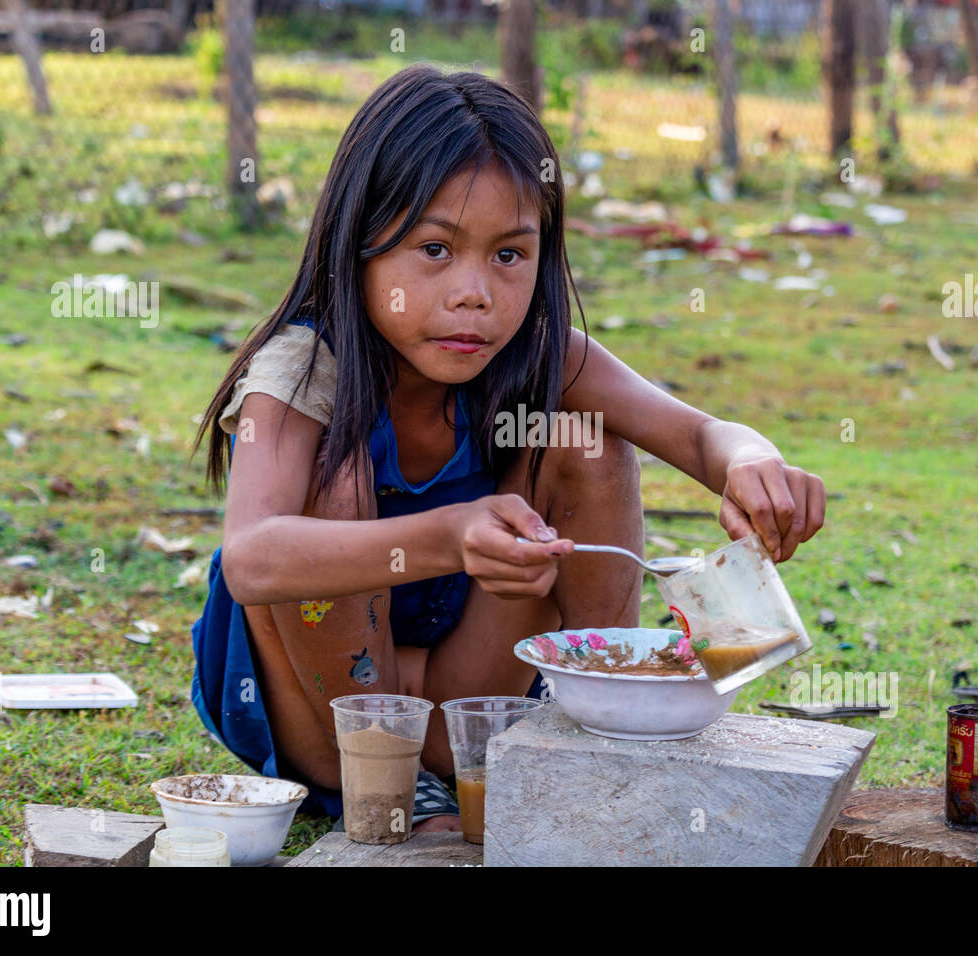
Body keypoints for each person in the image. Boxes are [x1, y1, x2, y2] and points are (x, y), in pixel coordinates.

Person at [188, 64, 826, 832]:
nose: (475, 294)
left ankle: (591, 731)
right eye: (434, 249)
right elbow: (252, 556)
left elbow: (694, 432)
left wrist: (750, 461)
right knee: (338, 478)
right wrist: (449, 536)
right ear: (357, 243)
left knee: (585, 441)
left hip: (470, 696)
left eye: (508, 255)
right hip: (330, 715)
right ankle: (391, 785)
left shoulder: (539, 353)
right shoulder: (301, 373)